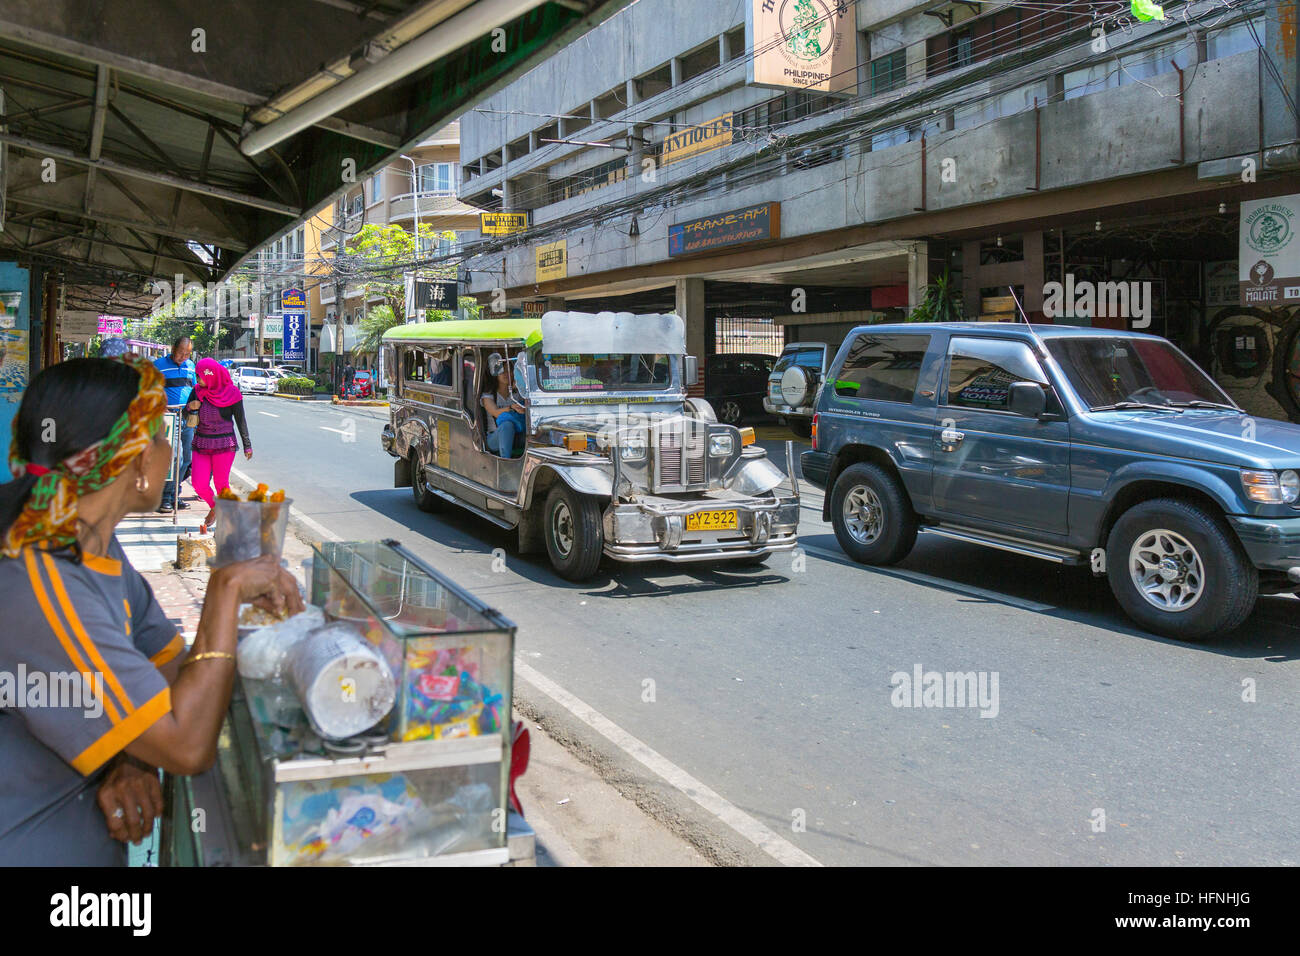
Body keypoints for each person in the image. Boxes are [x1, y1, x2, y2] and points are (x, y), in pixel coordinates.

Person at [0, 356, 301, 865]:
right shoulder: (39, 579)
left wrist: (129, 747)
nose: (169, 450)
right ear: (135, 464)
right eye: (160, 437)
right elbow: (186, 746)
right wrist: (225, 592)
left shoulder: (92, 547)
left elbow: (169, 674)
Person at [190, 359, 252, 535]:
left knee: (220, 482)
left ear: (211, 375)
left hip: (224, 443)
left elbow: (241, 420)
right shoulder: (197, 391)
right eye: (196, 375)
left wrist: (247, 445)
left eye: (200, 376)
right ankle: (216, 507)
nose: (198, 379)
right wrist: (191, 407)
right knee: (198, 483)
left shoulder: (232, 393)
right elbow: (187, 412)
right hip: (202, 441)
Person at [153, 336, 197, 513]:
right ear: (173, 349)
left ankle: (174, 496)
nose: (183, 357)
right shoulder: (158, 365)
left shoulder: (191, 366)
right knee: (174, 458)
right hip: (169, 417)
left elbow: (195, 389)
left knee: (187, 459)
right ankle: (164, 497)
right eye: (181, 353)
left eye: (187, 354)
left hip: (188, 417)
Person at [481, 352, 526, 459]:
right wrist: (511, 408)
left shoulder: (517, 394)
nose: (506, 374)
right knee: (507, 425)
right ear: (496, 373)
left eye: (509, 370)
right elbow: (495, 412)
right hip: (495, 437)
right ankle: (505, 460)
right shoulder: (488, 395)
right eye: (502, 371)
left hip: (517, 435)